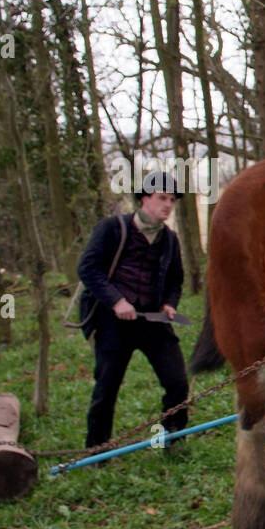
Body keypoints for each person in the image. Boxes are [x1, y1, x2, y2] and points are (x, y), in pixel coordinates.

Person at [78, 169, 189, 451]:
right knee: (106, 388)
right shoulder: (111, 228)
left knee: (177, 382)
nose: (168, 205)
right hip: (113, 324)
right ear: (144, 199)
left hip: (153, 321)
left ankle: (171, 438)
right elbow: (88, 269)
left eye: (172, 200)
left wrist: (169, 304)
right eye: (162, 198)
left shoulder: (170, 240)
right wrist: (116, 301)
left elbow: (176, 280)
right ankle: (97, 450)